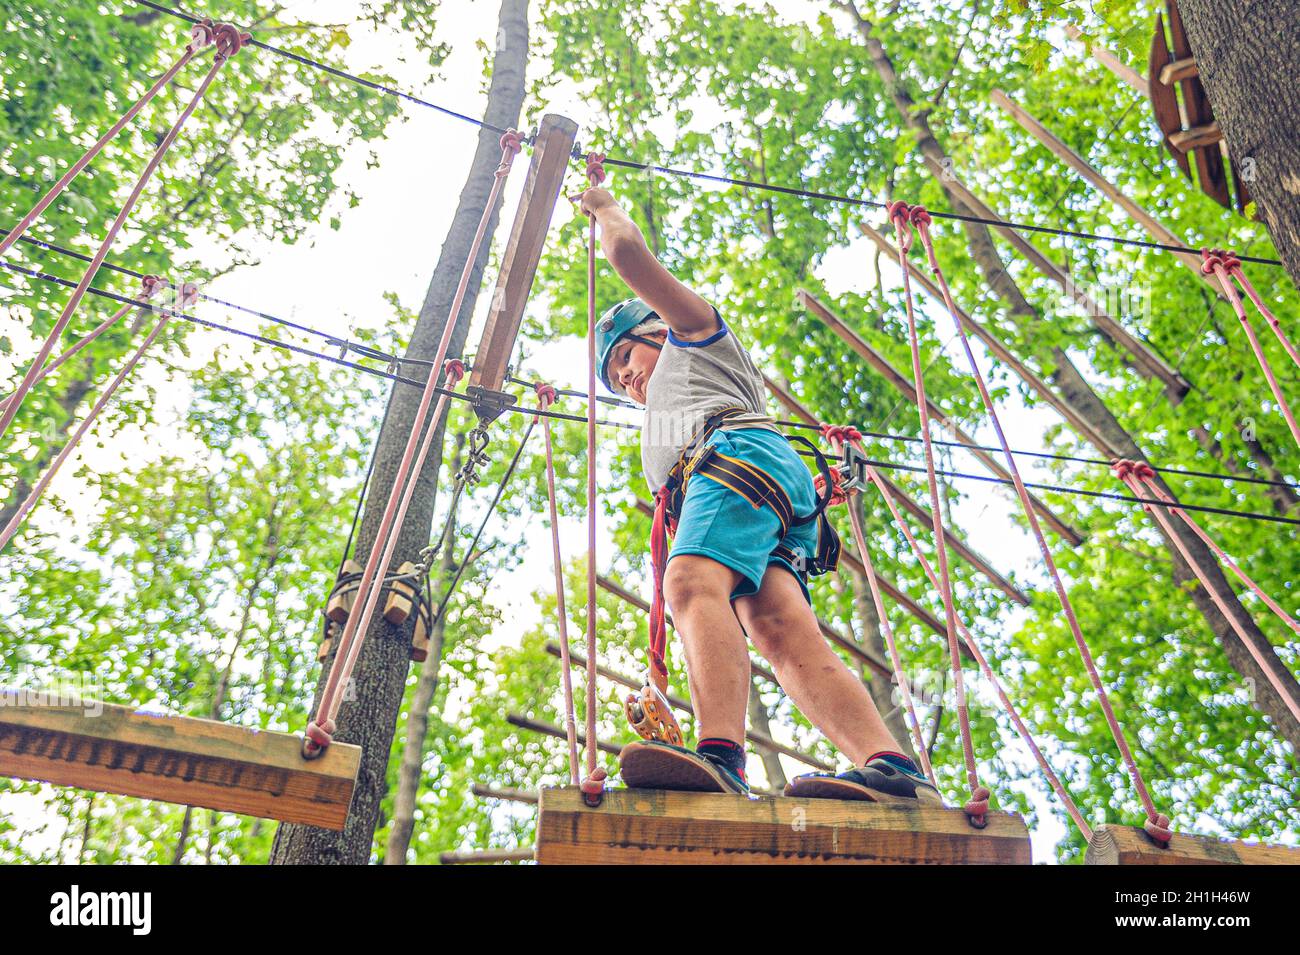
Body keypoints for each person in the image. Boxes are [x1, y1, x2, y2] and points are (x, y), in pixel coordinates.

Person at [573, 185, 940, 805]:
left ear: (658, 327)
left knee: (690, 584)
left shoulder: (697, 334)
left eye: (628, 356)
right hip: (753, 486)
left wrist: (605, 207)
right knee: (776, 627)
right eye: (614, 379)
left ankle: (721, 756)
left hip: (736, 461)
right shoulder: (670, 406)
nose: (626, 378)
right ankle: (893, 769)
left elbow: (629, 258)